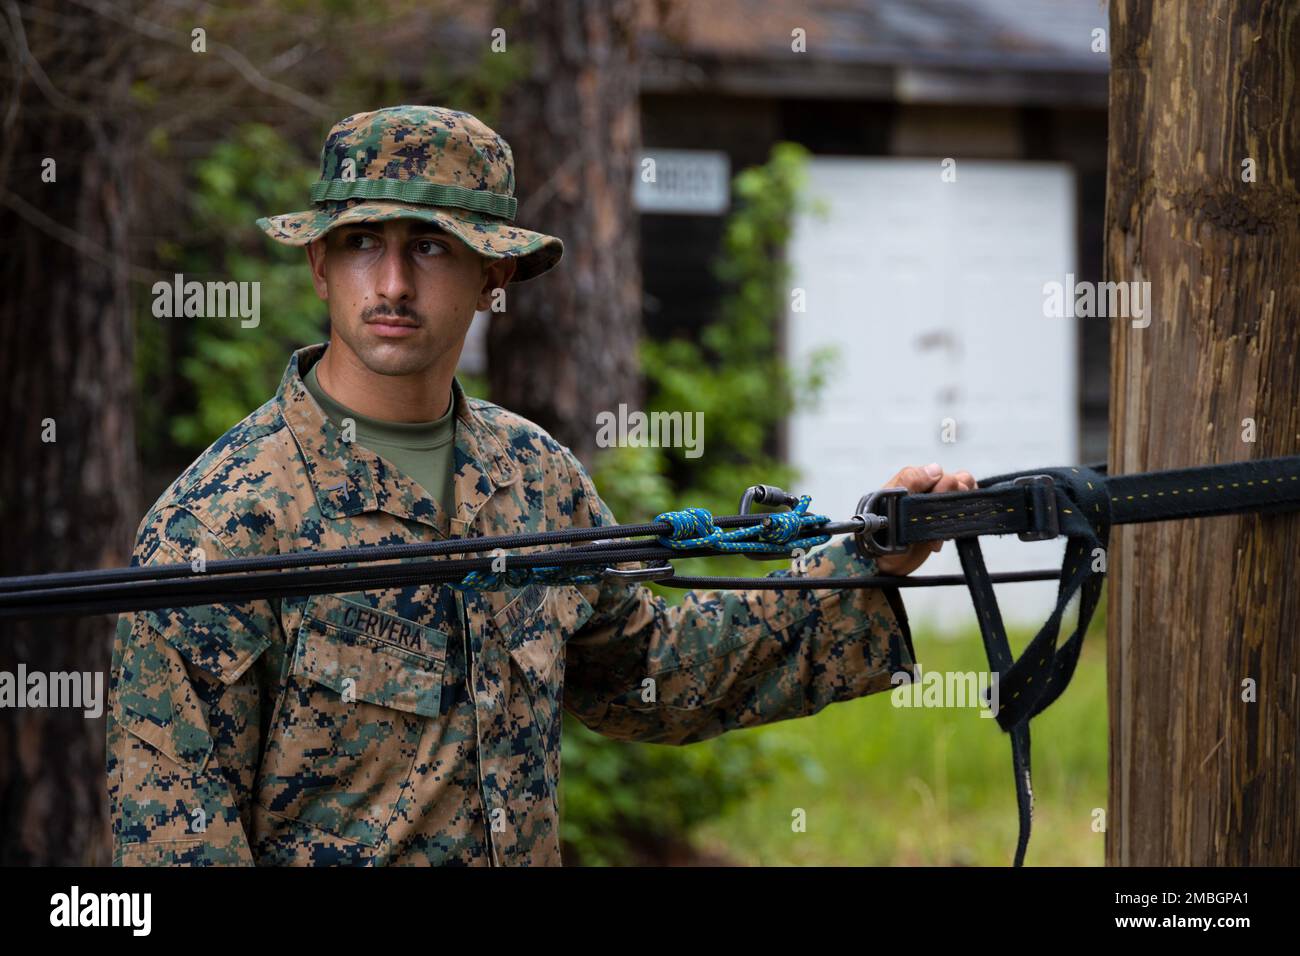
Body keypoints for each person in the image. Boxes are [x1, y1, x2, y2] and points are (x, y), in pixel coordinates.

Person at [107, 105, 975, 866]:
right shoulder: (221, 521)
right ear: (320, 267)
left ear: (495, 276)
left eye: (433, 247)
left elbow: (653, 674)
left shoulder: (531, 478)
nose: (394, 282)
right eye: (363, 242)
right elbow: (176, 838)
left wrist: (868, 564)